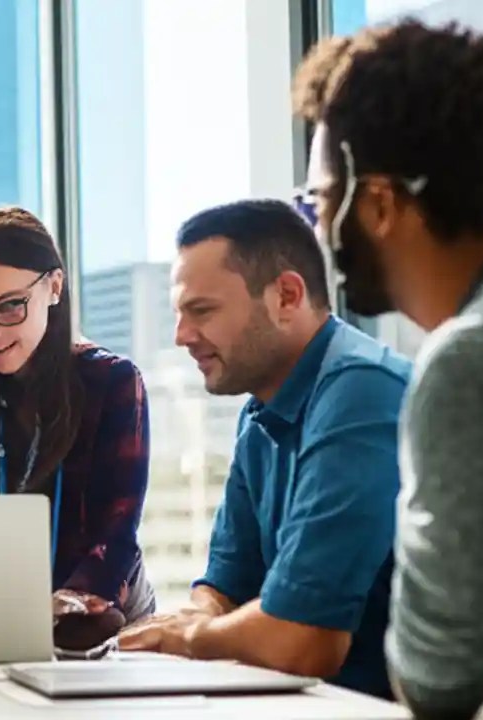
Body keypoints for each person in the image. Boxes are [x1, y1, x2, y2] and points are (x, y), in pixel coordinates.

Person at [294, 19, 483, 719]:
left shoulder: (479, 357)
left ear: (381, 203)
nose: (319, 228)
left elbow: (436, 679)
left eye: (321, 202)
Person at [118, 200, 409, 699]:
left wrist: (186, 637)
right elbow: (224, 589)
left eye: (202, 310)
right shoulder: (259, 413)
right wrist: (195, 618)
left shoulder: (363, 391)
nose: (182, 336)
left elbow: (306, 639)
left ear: (287, 297)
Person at [0, 206, 155, 645]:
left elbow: (115, 532)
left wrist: (70, 601)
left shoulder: (110, 382)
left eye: (8, 308)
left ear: (53, 288)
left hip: (99, 616)